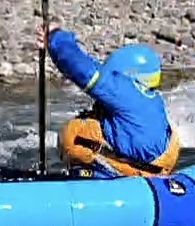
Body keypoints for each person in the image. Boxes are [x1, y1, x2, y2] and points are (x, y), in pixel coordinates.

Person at [38, 24, 181, 178]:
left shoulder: (126, 92)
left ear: (127, 75)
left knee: (79, 129)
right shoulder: (152, 102)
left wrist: (54, 37)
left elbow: (81, 69)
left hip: (113, 179)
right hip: (137, 175)